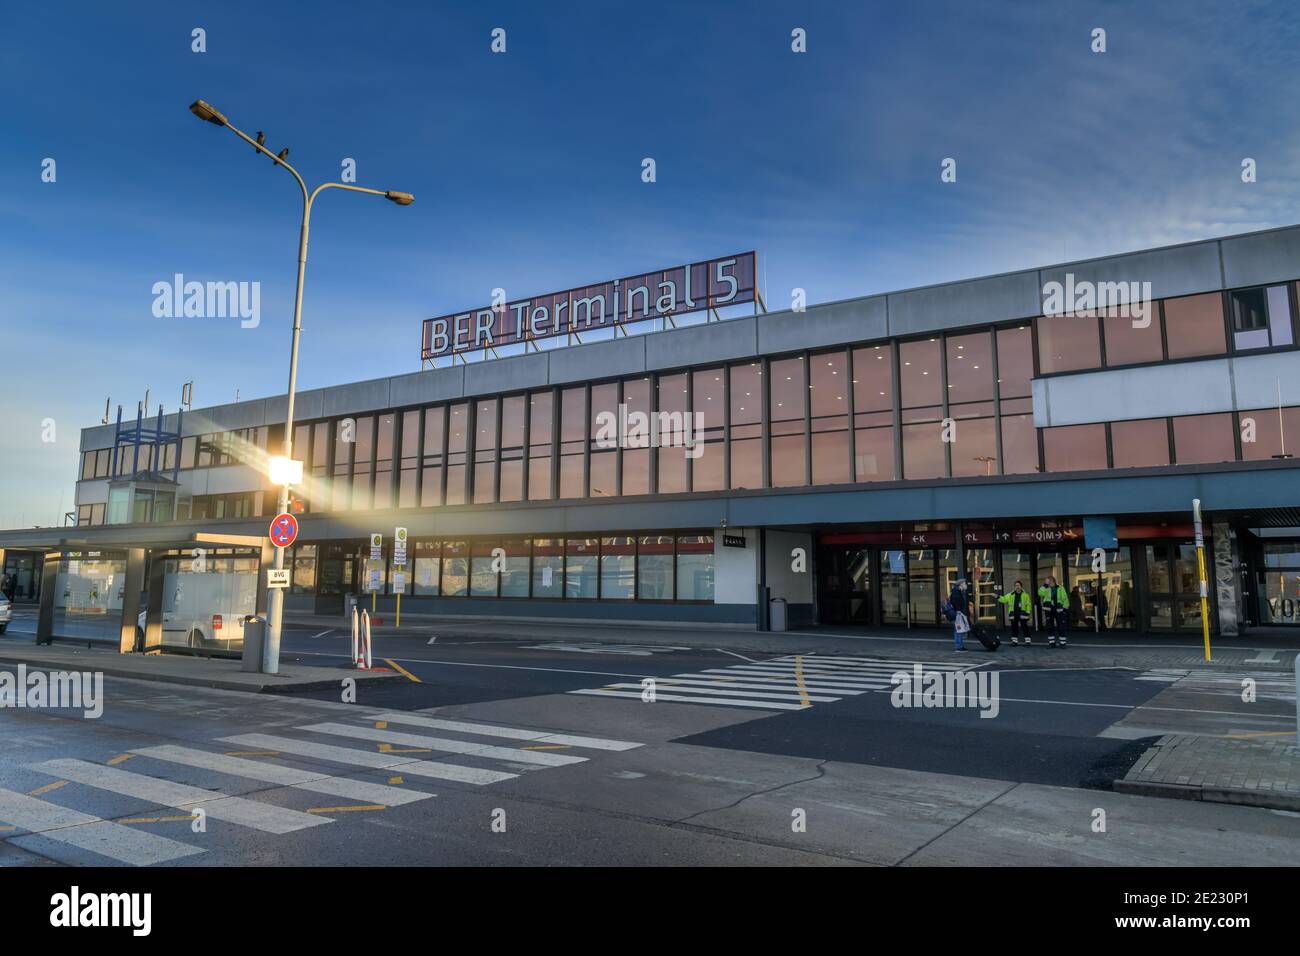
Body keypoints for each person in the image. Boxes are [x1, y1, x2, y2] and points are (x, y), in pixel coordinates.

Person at [1038, 575, 1070, 647]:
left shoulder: (1061, 588)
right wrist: (1045, 585)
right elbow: (1040, 593)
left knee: (1061, 626)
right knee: (1049, 627)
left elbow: (1065, 599)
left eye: (1050, 581)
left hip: (1059, 610)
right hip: (1049, 610)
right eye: (1047, 582)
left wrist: (1064, 609)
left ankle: (1062, 643)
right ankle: (1051, 643)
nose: (1049, 583)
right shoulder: (1046, 588)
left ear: (1054, 581)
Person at [998, 580, 1033, 646]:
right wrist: (997, 597)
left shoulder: (1026, 595)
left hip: (1023, 614)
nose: (1017, 587)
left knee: (1025, 627)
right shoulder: (1011, 595)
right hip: (1013, 614)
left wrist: (1027, 613)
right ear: (1014, 587)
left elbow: (1028, 605)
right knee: (1014, 628)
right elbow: (1004, 599)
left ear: (1021, 587)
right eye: (1016, 585)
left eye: (1018, 585)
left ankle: (1028, 641)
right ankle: (1014, 642)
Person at [947, 577, 971, 651]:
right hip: (957, 613)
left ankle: (960, 645)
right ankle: (958, 647)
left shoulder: (957, 591)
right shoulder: (956, 592)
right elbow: (955, 601)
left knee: (959, 630)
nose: (966, 585)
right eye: (964, 584)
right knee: (958, 630)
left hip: (957, 612)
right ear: (961, 585)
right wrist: (958, 610)